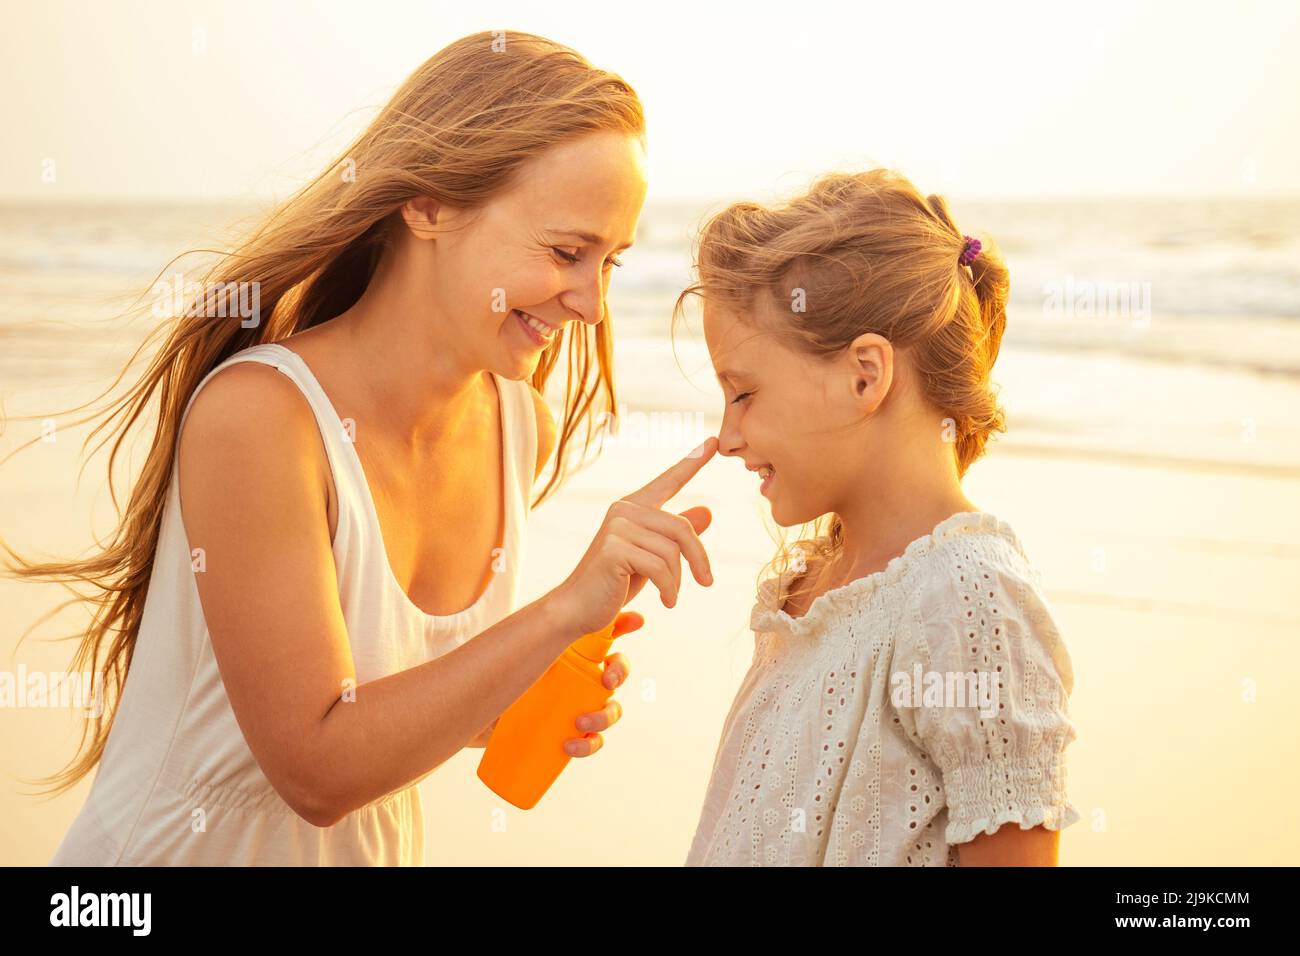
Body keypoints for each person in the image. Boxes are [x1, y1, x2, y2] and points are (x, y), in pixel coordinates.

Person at [22, 30, 718, 866]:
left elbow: (395, 700)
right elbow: (315, 767)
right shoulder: (261, 417)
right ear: (426, 204)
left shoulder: (515, 427)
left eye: (611, 262)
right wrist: (559, 611)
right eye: (569, 252)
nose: (593, 305)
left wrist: (522, 692)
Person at [678, 168, 1081, 866]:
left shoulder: (969, 601)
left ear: (866, 375)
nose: (727, 436)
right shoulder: (809, 588)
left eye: (743, 394)